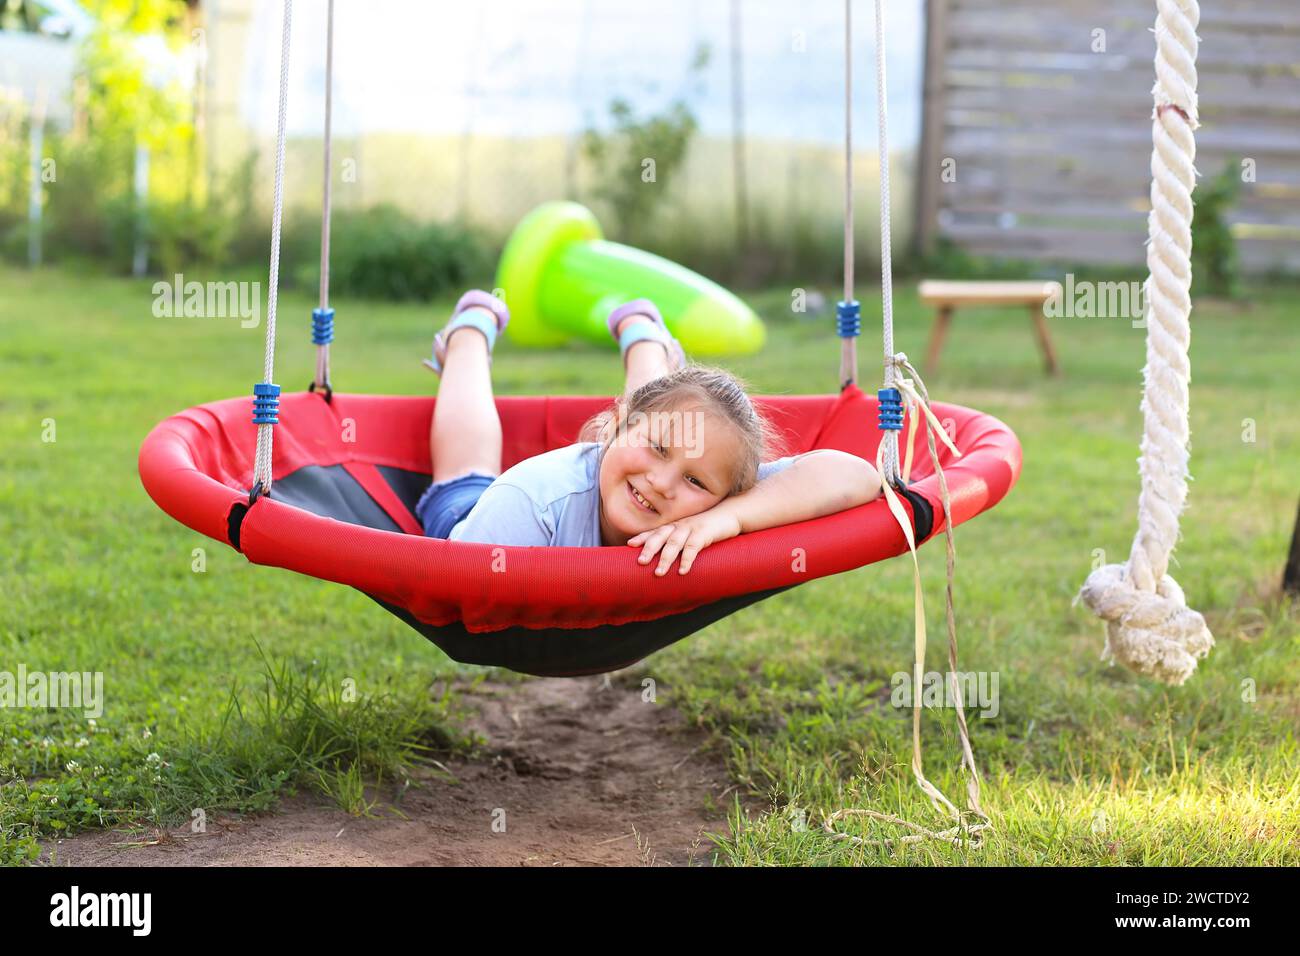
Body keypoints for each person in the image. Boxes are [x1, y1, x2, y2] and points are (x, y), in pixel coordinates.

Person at [416, 290, 881, 576]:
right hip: (468, 518)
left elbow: (856, 476)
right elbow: (463, 592)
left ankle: (646, 338)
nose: (663, 482)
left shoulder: (718, 499)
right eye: (659, 454)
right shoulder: (530, 501)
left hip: (639, 436)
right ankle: (469, 334)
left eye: (696, 482)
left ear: (726, 495)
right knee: (466, 467)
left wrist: (731, 519)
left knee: (662, 419)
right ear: (612, 425)